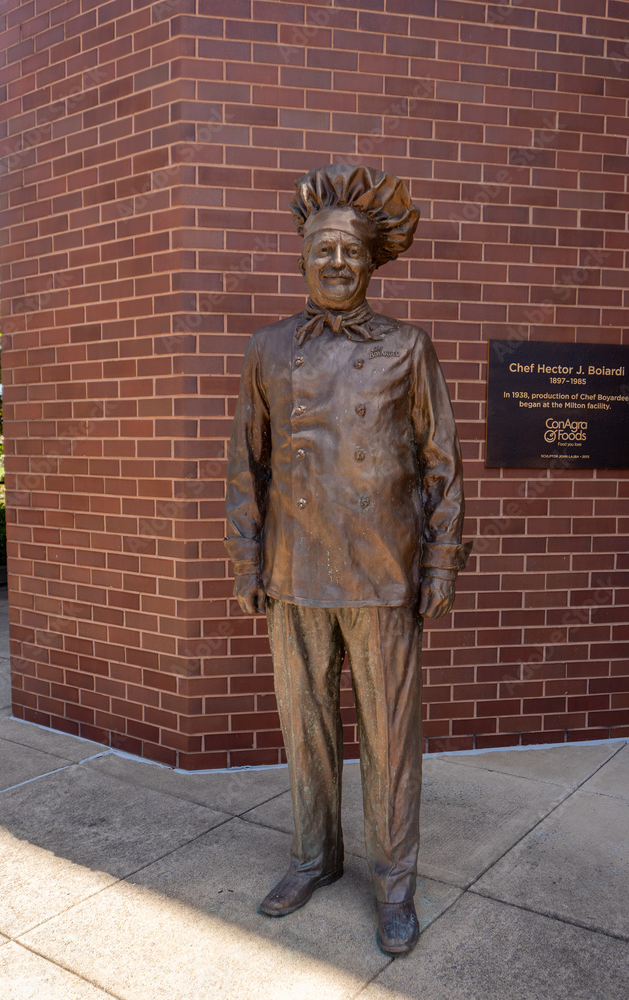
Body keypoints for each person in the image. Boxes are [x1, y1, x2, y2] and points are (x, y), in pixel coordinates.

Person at [225, 164, 470, 956]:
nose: (337, 262)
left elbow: (443, 463)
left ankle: (395, 885)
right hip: (294, 572)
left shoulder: (408, 347)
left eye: (351, 251)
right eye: (323, 248)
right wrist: (247, 559)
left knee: (392, 737)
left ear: (372, 263)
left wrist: (440, 563)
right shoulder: (266, 350)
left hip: (382, 572)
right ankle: (313, 857)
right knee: (306, 728)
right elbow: (245, 467)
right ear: (301, 257)